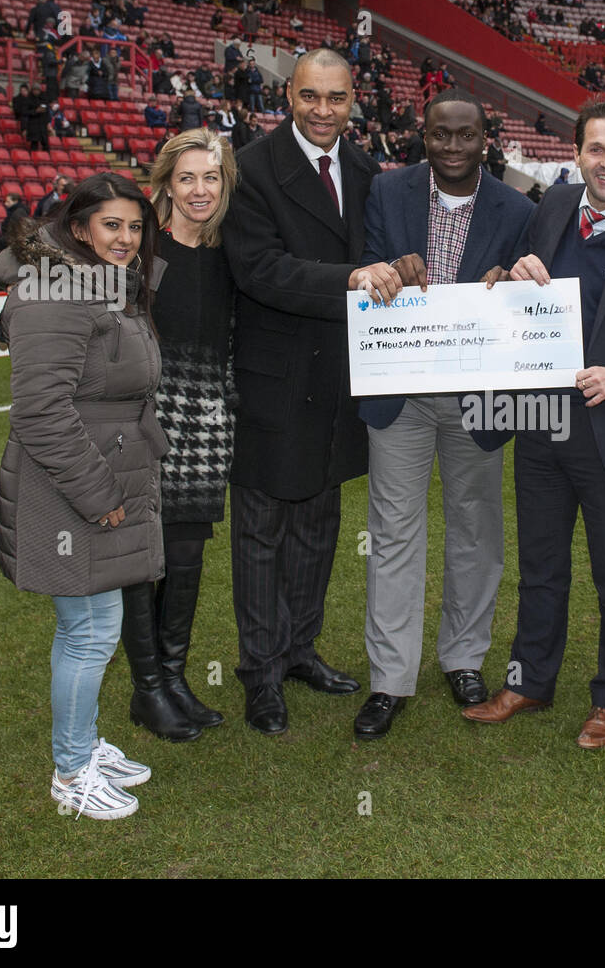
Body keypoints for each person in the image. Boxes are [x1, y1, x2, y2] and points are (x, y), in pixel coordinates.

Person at [462, 100, 605, 748]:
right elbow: (507, 294)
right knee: (540, 564)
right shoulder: (553, 209)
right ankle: (529, 678)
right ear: (578, 155)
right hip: (540, 423)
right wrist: (510, 275)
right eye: (597, 149)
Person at [220, 48, 404, 735]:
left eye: (336, 98)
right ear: (287, 95)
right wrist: (350, 280)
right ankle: (258, 672)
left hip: (338, 379)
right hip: (273, 380)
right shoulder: (251, 167)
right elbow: (259, 270)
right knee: (262, 530)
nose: (322, 110)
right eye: (309, 97)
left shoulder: (361, 167)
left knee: (318, 526)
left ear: (353, 97)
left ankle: (299, 649)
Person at [353, 90, 534, 740]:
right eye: (439, 134)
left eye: (465, 135)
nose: (452, 146)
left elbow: (526, 289)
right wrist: (381, 274)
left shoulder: (517, 207)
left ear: (487, 138)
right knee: (394, 532)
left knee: (476, 529)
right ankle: (389, 678)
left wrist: (512, 281)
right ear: (420, 135)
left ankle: (463, 656)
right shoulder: (387, 192)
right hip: (398, 388)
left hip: (477, 394)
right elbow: (364, 272)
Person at [0, 172, 165, 820]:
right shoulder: (58, 290)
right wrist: (98, 492)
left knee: (90, 627)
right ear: (80, 226)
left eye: (134, 225)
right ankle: (70, 772)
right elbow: (40, 412)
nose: (125, 238)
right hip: (67, 487)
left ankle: (84, 745)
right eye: (111, 225)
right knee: (91, 632)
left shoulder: (95, 281)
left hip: (92, 479)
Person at [118, 128, 241, 741]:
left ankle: (173, 676)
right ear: (166, 183)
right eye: (187, 177)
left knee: (186, 556)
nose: (199, 189)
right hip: (142, 421)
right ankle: (147, 690)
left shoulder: (229, 253)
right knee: (143, 559)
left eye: (211, 178)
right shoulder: (141, 249)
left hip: (208, 424)